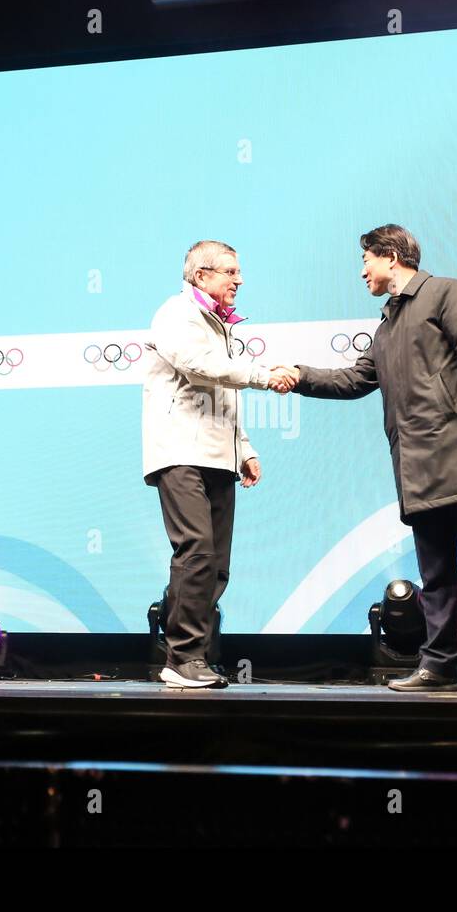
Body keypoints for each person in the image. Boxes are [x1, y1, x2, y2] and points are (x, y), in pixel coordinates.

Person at [275, 224, 457, 692]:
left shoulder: (446, 293)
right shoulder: (386, 328)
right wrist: (300, 374)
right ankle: (440, 666)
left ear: (391, 256)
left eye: (366, 260)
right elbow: (353, 381)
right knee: (435, 576)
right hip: (415, 468)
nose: (362, 271)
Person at [142, 240, 294, 688]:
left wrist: (243, 448)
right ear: (201, 275)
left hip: (216, 456)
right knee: (196, 552)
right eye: (230, 271)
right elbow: (199, 365)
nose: (239, 280)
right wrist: (264, 375)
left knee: (217, 564)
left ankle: (195, 655)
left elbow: (220, 393)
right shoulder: (176, 313)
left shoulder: (220, 325)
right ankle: (182, 659)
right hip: (180, 452)